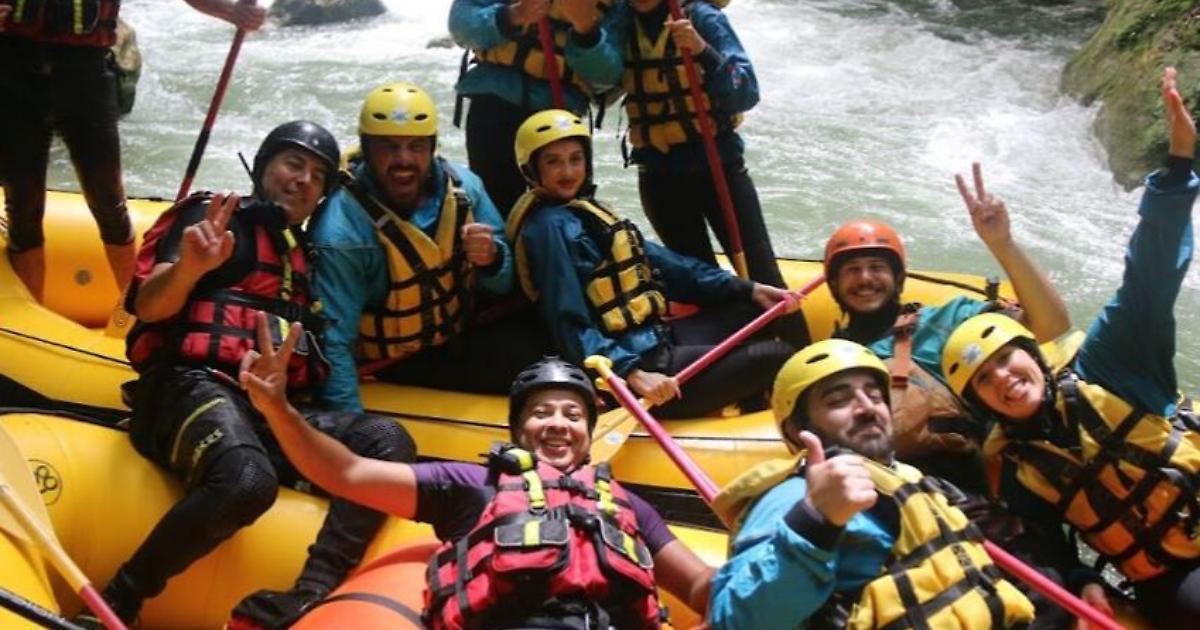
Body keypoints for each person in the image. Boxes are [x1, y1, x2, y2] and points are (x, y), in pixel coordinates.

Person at [77, 122, 417, 630]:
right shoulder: (213, 220)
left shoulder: (298, 258)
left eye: (318, 175)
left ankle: (308, 596)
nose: (304, 180)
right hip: (190, 386)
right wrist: (190, 267)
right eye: (293, 164)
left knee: (387, 441)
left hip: (267, 405)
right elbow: (149, 306)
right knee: (247, 481)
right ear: (264, 168)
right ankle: (118, 600)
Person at [941, 67, 1200, 628]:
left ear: (1032, 352)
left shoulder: (1108, 365)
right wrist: (1083, 581)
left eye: (1005, 360)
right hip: (1169, 578)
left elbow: (1148, 277)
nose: (1003, 380)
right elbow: (1045, 543)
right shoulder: (1015, 468)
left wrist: (1179, 165)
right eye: (985, 381)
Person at [240, 348, 714, 628]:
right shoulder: (473, 485)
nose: (557, 425)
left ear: (589, 435)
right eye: (541, 412)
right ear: (518, 429)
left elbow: (698, 586)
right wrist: (278, 409)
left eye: (573, 416)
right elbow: (347, 474)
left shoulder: (628, 507)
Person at [707, 339, 1042, 629]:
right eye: (838, 401)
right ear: (798, 430)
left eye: (875, 396)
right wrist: (814, 521)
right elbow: (735, 621)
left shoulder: (911, 479)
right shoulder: (794, 497)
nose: (868, 409)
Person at [506, 109, 798, 418]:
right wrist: (630, 374)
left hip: (655, 339)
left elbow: (671, 266)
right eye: (553, 161)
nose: (568, 171)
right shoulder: (547, 230)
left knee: (758, 309)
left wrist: (746, 287)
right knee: (777, 356)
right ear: (531, 169)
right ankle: (746, 417)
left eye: (575, 159)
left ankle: (746, 408)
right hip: (632, 372)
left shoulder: (587, 210)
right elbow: (569, 324)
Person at [0, 0, 264, 303]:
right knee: (23, 204)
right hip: (14, 72)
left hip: (85, 75)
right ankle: (31, 318)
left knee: (108, 199)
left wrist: (231, 12)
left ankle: (136, 311)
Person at [822, 175, 1069, 488]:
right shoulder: (831, 358)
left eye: (876, 267)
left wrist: (1001, 244)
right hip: (892, 491)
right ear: (834, 284)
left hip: (976, 482)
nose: (865, 278)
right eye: (852, 270)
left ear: (898, 278)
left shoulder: (948, 319)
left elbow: (1051, 325)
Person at [309, 82, 543, 412]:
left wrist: (492, 259)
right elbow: (333, 343)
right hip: (389, 365)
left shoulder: (466, 190)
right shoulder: (342, 232)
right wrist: (350, 427)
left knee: (542, 344)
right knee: (528, 366)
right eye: (388, 147)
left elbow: (502, 283)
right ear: (366, 149)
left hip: (456, 337)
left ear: (432, 147)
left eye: (416, 146)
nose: (403, 160)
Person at [613, 0, 784, 289]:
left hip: (718, 166)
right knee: (701, 284)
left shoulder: (702, 17)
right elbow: (597, 79)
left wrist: (702, 50)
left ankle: (789, 334)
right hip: (659, 176)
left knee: (763, 277)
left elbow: (747, 92)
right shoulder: (618, 22)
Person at [448, 0, 625, 216]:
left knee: (567, 216)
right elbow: (460, 27)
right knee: (495, 212)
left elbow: (607, 77)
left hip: (560, 117)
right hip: (494, 107)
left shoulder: (616, 5)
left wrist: (585, 28)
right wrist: (515, 15)